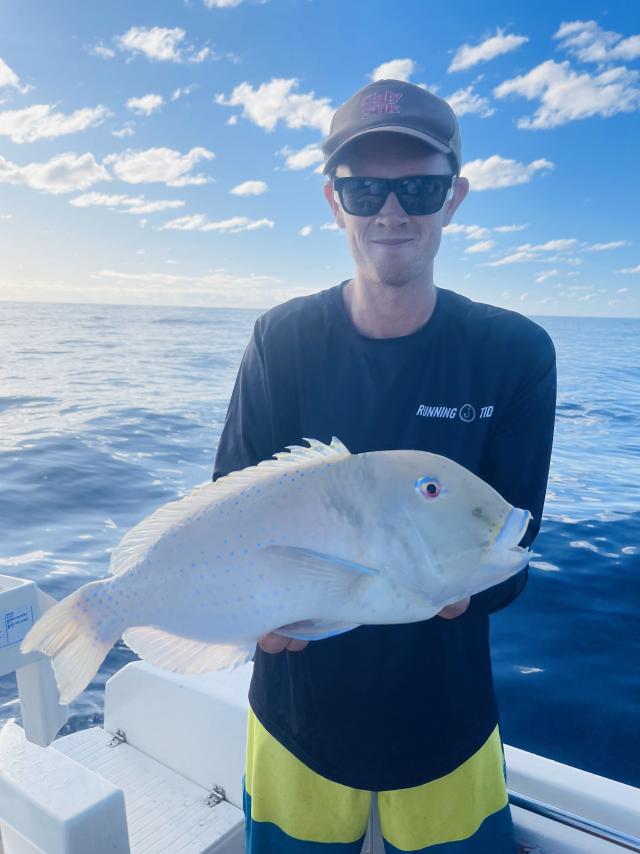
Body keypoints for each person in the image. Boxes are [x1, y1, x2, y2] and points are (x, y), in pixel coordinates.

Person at [213, 79, 556, 853]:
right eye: (364, 189)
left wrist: (460, 588)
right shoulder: (282, 340)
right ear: (334, 201)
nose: (391, 214)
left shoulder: (515, 354)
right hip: (294, 723)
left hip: (447, 728)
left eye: (420, 188)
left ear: (455, 197)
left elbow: (514, 556)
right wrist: (251, 617)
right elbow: (227, 511)